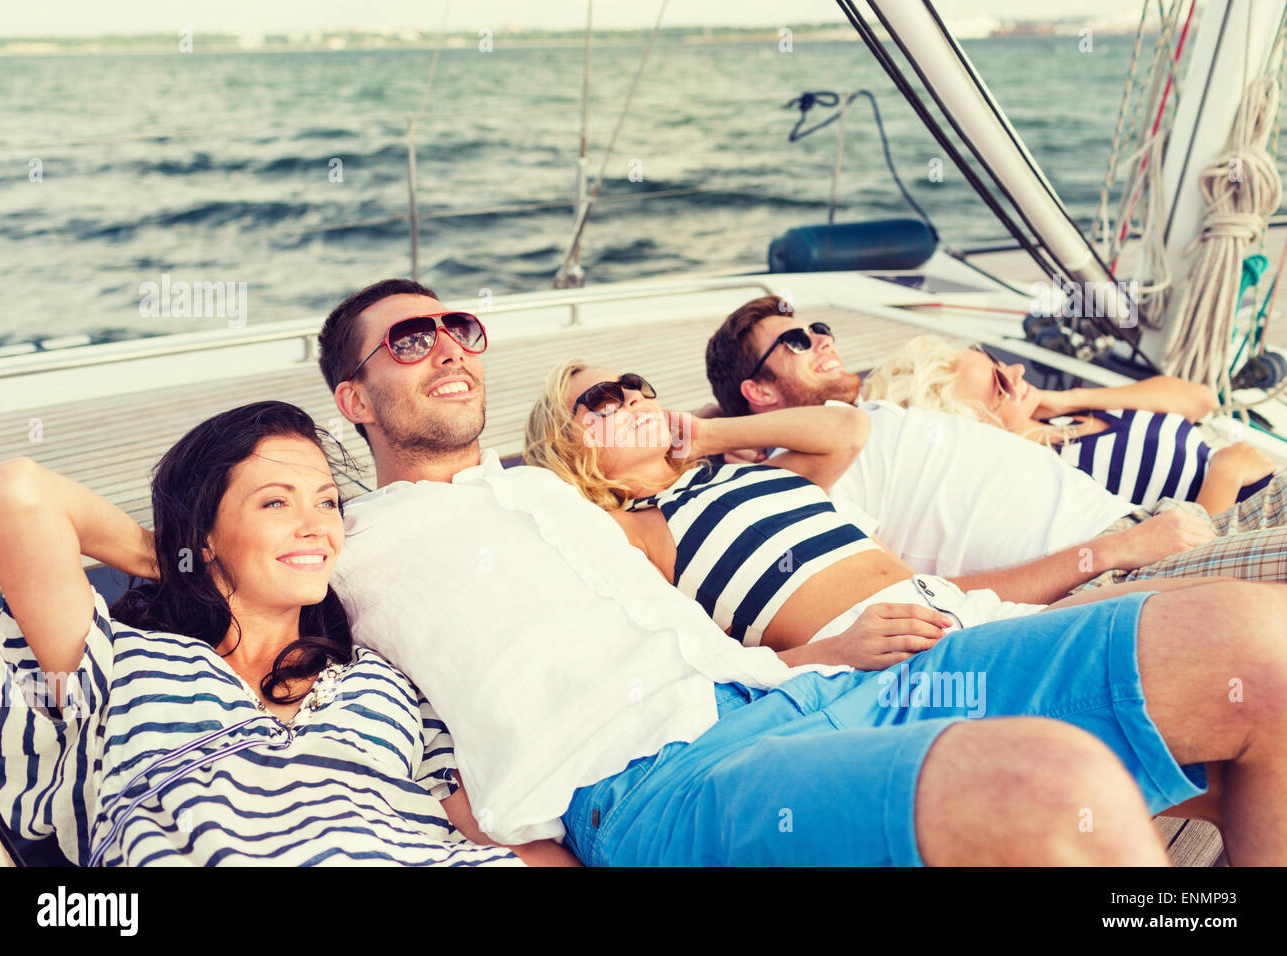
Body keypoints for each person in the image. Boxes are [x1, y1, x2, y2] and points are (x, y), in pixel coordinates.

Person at [320, 276, 1287, 866]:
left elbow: (835, 439)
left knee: (1252, 643)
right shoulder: (346, 541)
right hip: (665, 782)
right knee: (1047, 784)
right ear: (352, 395)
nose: (447, 345)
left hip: (806, 689)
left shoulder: (549, 499)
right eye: (413, 339)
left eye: (462, 329)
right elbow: (210, 584)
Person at [0, 401, 569, 866]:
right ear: (206, 530)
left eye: (327, 501)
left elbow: (486, 831)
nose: (316, 525)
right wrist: (173, 553)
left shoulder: (385, 678)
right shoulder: (122, 663)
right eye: (275, 503)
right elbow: (16, 492)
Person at [705, 295, 1287, 599]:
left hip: (1154, 527)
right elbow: (919, 598)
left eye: (821, 330)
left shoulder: (872, 418)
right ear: (757, 389)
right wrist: (1114, 553)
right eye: (797, 342)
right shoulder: (806, 491)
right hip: (1118, 566)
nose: (823, 341)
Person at [523, 359, 1055, 666]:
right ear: (567, 445)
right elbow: (696, 668)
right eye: (604, 398)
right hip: (879, 655)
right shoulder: (629, 530)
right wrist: (832, 653)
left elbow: (848, 432)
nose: (634, 399)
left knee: (1139, 621)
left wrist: (705, 434)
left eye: (637, 386)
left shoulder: (742, 475)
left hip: (958, 609)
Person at [861, 332, 1278, 514]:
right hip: (1253, 526)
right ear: (972, 424)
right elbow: (1172, 560)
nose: (1019, 370)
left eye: (998, 362)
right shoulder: (1051, 479)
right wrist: (1224, 475)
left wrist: (1068, 398)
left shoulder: (1065, 414)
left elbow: (1199, 399)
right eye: (1000, 382)